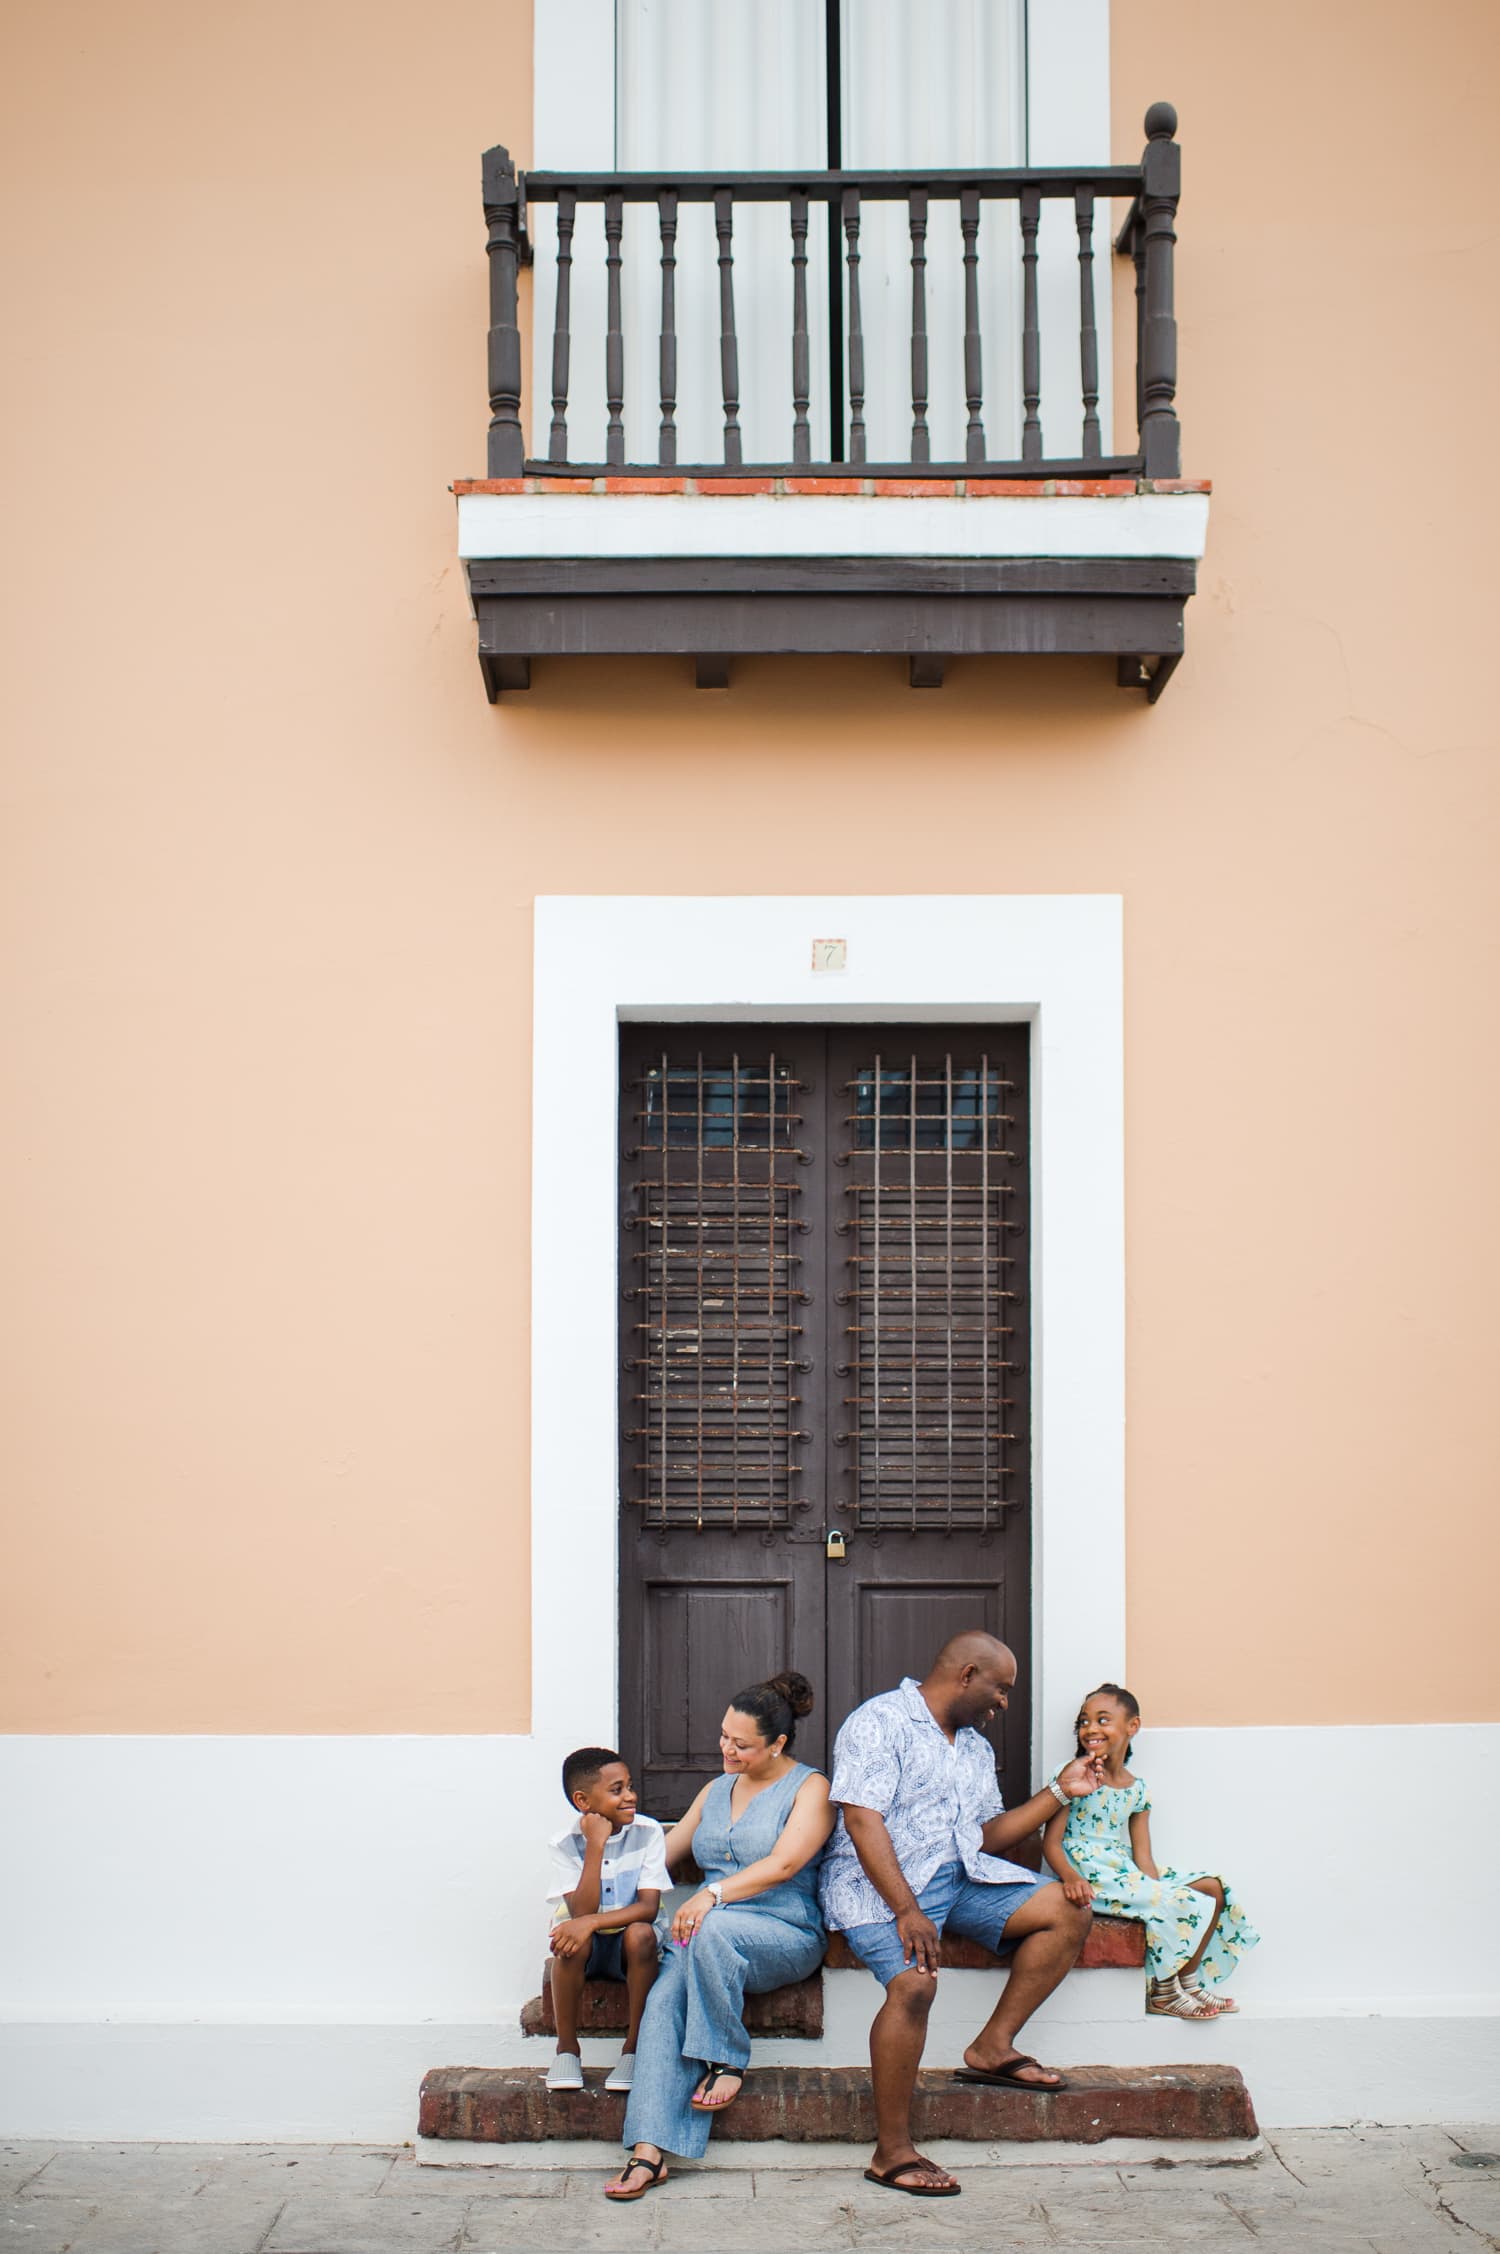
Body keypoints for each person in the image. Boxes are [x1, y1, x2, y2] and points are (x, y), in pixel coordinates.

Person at [821, 1631, 1102, 2199]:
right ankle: (891, 2153)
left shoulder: (975, 1748)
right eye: (1002, 1689)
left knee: (1067, 1910)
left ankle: (992, 2047)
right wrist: (908, 1910)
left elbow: (983, 1838)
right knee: (914, 1986)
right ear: (968, 1674)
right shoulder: (879, 1721)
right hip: (876, 1887)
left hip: (960, 1879)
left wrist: (1060, 1792)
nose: (1004, 1702)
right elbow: (861, 1822)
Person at [603, 1670, 834, 2201]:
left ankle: (727, 2058)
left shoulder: (811, 1788)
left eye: (742, 1744)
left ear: (778, 1743)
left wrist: (711, 1895)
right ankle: (648, 2153)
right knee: (662, 2002)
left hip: (783, 1930)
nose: (726, 1749)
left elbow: (786, 1862)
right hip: (705, 1931)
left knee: (710, 1928)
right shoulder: (717, 1788)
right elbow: (661, 1853)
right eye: (724, 1736)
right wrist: (595, 1878)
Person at [1044, 1682, 1259, 2019]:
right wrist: (1070, 1876)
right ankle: (1162, 1992)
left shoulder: (1137, 1789)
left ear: (1132, 1727)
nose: (1091, 1729)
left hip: (1121, 1867)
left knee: (1211, 1888)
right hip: (1089, 1871)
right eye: (1084, 1722)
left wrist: (1156, 1888)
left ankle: (1189, 1981)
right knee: (1176, 1901)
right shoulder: (1071, 1775)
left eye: (1102, 1720)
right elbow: (1051, 1843)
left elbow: (1143, 1856)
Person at [544, 1746, 667, 2093]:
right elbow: (580, 1912)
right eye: (617, 1790)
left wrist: (591, 1923)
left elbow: (648, 1907)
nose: (630, 1796)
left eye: (630, 1786)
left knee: (642, 1933)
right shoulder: (565, 1844)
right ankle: (566, 2050)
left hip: (631, 1950)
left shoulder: (649, 1832)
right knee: (567, 1941)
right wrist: (595, 1846)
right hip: (589, 1952)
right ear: (584, 1801)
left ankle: (633, 2050)